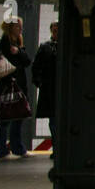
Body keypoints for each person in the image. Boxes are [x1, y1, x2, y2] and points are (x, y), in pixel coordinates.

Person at [0, 18, 31, 159]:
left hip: (16, 84)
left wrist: (19, 52)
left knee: (17, 117)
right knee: (6, 118)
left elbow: (27, 61)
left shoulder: (17, 44)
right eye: (17, 26)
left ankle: (15, 148)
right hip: (9, 85)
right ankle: (3, 149)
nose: (20, 29)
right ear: (10, 28)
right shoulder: (4, 43)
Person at [31, 21, 59, 155]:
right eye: (54, 30)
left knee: (54, 120)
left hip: (50, 88)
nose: (56, 32)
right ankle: (57, 148)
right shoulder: (45, 47)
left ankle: (58, 149)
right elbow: (36, 67)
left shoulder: (46, 47)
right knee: (54, 120)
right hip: (51, 88)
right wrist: (39, 82)